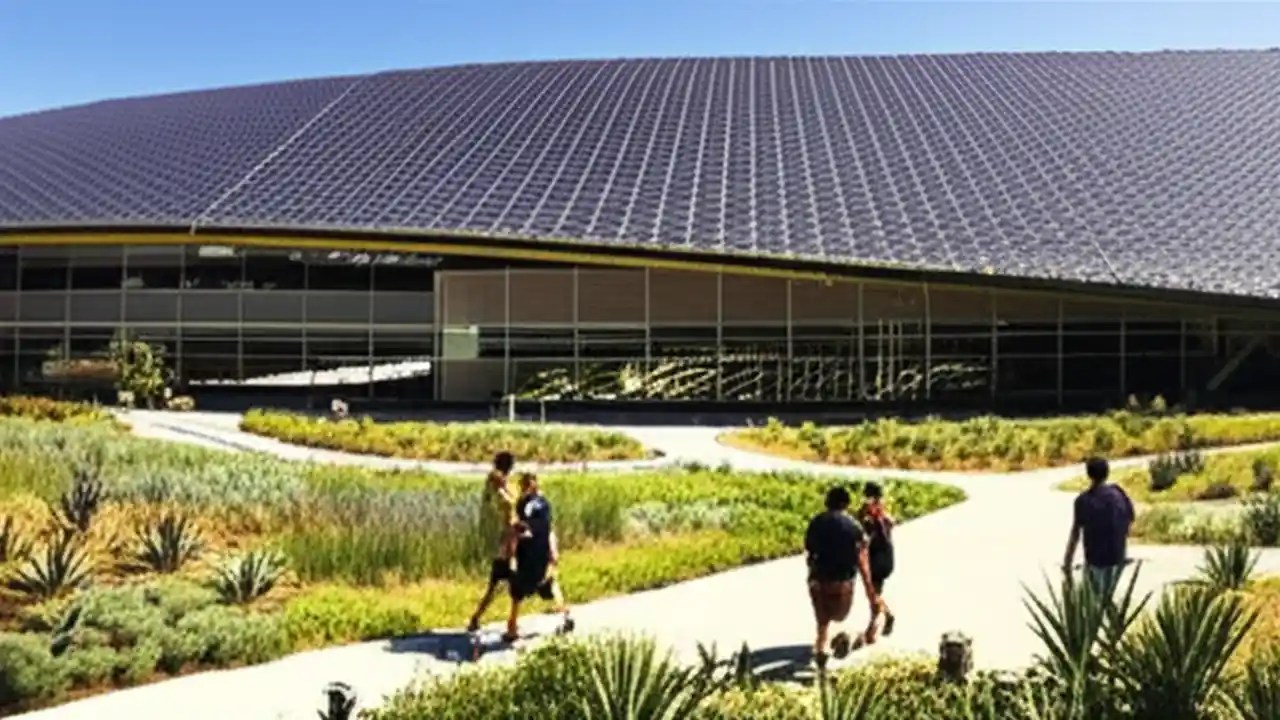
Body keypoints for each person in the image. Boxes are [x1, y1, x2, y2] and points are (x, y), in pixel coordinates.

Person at [805, 485, 879, 669]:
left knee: (822, 619)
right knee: (839, 616)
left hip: (817, 580)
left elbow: (809, 548)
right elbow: (862, 558)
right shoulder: (853, 526)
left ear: (827, 502)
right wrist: (870, 590)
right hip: (842, 581)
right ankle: (848, 638)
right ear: (846, 504)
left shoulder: (816, 522)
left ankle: (821, 648)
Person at [505, 472, 573, 642]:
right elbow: (549, 528)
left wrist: (512, 549)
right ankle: (565, 616)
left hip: (528, 552)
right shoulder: (545, 504)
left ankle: (512, 629)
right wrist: (553, 548)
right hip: (543, 549)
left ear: (523, 485)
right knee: (549, 583)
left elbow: (521, 529)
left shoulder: (523, 504)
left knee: (517, 591)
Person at [1063, 457, 1135, 597]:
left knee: (1094, 601)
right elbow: (1130, 518)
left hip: (1095, 560)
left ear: (1088, 474)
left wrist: (1067, 563)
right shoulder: (1118, 492)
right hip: (1118, 556)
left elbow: (1075, 534)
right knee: (1108, 597)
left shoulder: (1083, 500)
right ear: (1107, 472)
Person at [467, 451, 521, 632]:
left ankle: (478, 617)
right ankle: (510, 624)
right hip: (504, 542)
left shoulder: (496, 483)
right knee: (508, 580)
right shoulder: (496, 483)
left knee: (501, 581)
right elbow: (506, 506)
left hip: (504, 541)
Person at [854, 481, 896, 647]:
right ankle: (884, 617)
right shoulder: (883, 510)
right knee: (874, 592)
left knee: (873, 593)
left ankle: (873, 628)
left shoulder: (875, 512)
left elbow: (862, 531)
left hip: (876, 556)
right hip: (884, 554)